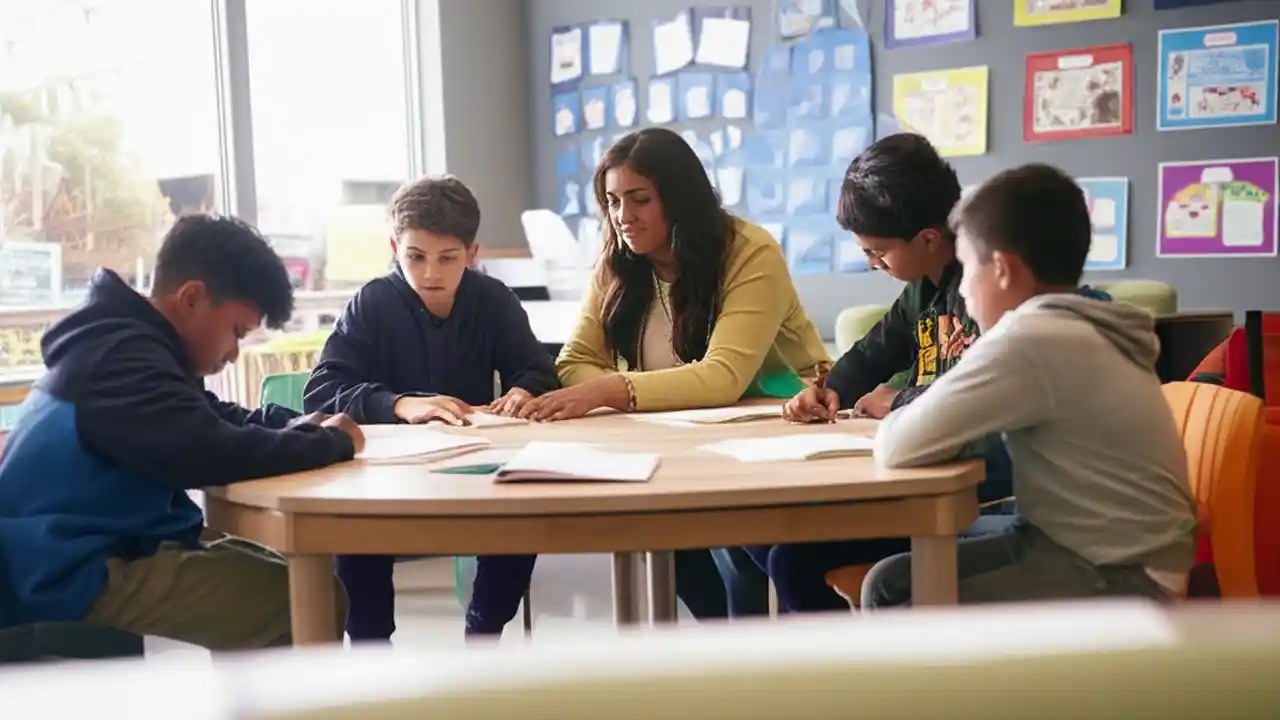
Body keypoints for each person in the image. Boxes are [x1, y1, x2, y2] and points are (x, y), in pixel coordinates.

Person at [0, 215, 362, 649]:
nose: (234, 353)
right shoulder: (122, 360)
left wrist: (294, 424)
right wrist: (330, 443)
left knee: (299, 584)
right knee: (310, 600)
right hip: (65, 565)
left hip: (82, 543)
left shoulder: (122, 344)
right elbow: (208, 451)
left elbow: (207, 417)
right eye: (237, 332)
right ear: (191, 298)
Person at [518, 127, 832, 620]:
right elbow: (574, 362)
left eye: (640, 199)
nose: (623, 216)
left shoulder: (750, 251)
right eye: (613, 202)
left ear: (680, 196)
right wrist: (607, 391)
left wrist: (611, 389)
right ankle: (733, 648)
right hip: (683, 441)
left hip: (781, 430)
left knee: (746, 547)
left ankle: (775, 651)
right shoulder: (617, 260)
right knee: (665, 532)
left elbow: (723, 377)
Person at [862, 163, 1197, 607]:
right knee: (889, 582)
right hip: (1098, 547)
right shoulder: (1079, 323)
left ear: (1003, 270)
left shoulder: (1032, 338)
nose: (963, 292)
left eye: (967, 268)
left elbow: (897, 446)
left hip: (1121, 573)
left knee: (902, 599)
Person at [304, 175, 558, 641]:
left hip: (477, 470)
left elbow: (539, 371)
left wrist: (525, 390)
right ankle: (371, 646)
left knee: (521, 516)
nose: (430, 274)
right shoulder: (371, 302)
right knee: (355, 533)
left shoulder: (493, 300)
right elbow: (322, 391)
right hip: (383, 478)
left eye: (448, 258)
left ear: (472, 254)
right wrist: (400, 404)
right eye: (415, 257)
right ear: (394, 247)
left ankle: (483, 633)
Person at [751, 133, 988, 613]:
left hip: (966, 493)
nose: (872, 264)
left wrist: (897, 401)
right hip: (914, 474)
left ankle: (849, 659)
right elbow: (876, 350)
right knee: (759, 536)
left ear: (928, 239)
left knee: (791, 559)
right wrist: (831, 390)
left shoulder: (982, 288)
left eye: (878, 252)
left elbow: (978, 392)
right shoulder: (922, 286)